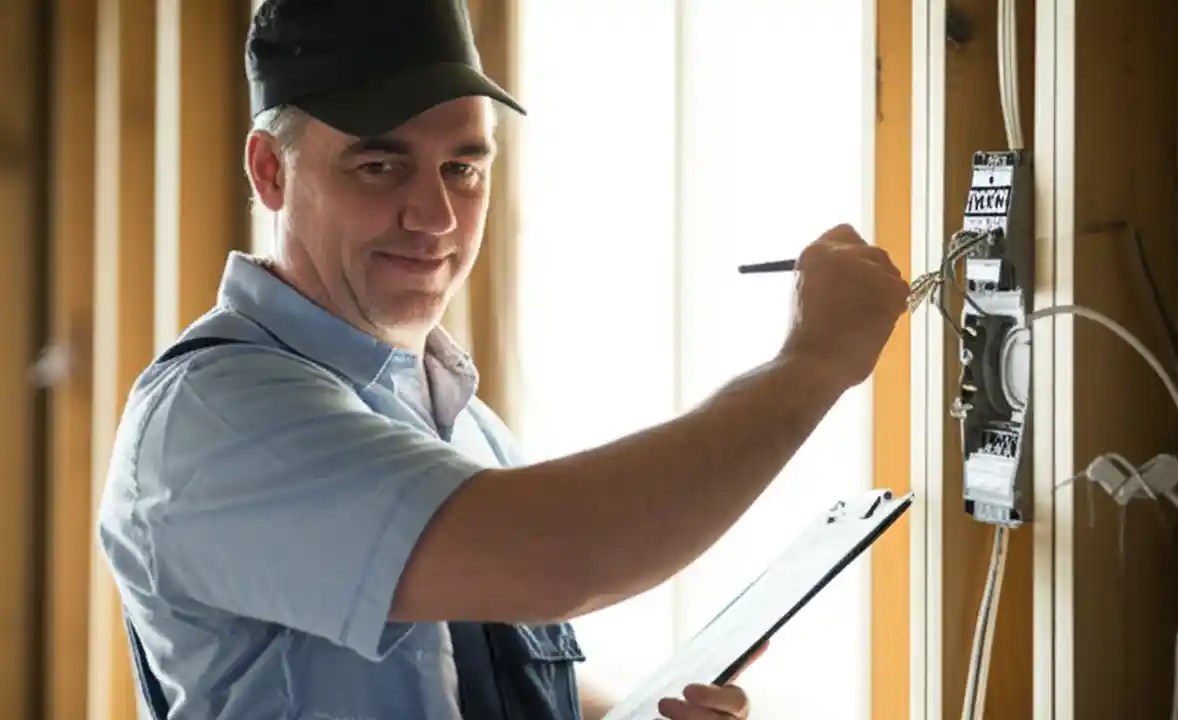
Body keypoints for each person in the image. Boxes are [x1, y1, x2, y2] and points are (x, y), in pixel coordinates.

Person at [96, 0, 910, 718]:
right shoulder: (218, 414)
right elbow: (560, 558)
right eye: (380, 166)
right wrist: (812, 364)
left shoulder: (464, 428)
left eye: (463, 168)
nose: (436, 216)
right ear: (272, 172)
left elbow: (475, 674)